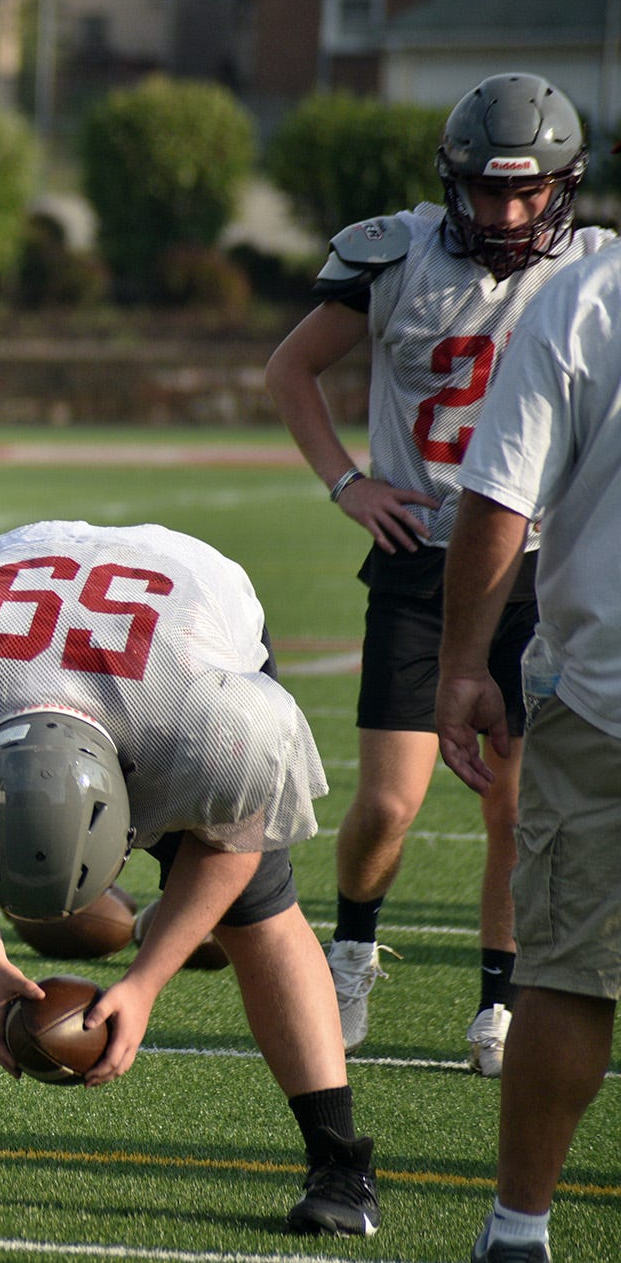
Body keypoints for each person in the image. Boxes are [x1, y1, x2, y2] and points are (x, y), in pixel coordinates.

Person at [0, 521, 380, 1238]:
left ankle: (341, 1162)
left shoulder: (210, 724)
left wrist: (146, 981)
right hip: (17, 612)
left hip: (187, 609)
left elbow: (237, 845)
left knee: (259, 914)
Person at [263, 72, 609, 1073]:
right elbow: (289, 368)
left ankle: (497, 1002)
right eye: (485, 191)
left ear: (562, 186)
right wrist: (344, 484)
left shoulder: (591, 271)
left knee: (513, 799)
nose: (505, 212)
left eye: (525, 191)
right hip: (420, 563)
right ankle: (352, 946)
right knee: (387, 801)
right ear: (449, 183)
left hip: (540, 566)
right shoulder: (395, 254)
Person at [437, 238, 621, 1263]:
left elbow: (498, 497)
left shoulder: (583, 296)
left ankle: (517, 1228)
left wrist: (462, 660)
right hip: (597, 684)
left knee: (563, 976)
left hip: (601, 689)